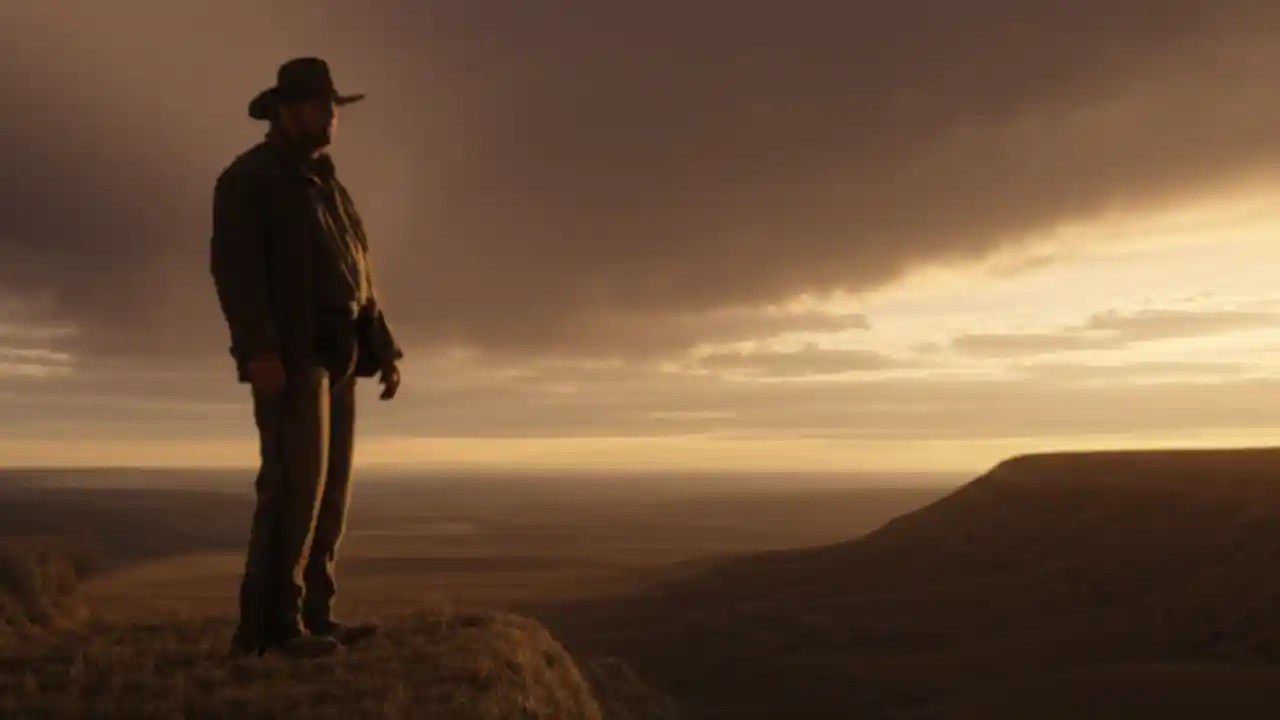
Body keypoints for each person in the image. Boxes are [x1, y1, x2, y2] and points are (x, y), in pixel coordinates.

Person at [210, 57, 404, 658]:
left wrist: (383, 345)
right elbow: (236, 272)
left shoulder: (326, 184)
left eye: (334, 108)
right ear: (287, 110)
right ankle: (270, 628)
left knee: (330, 492)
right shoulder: (250, 180)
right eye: (322, 106)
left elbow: (357, 271)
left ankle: (316, 614)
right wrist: (259, 351)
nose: (331, 117)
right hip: (292, 358)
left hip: (339, 355)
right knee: (292, 489)